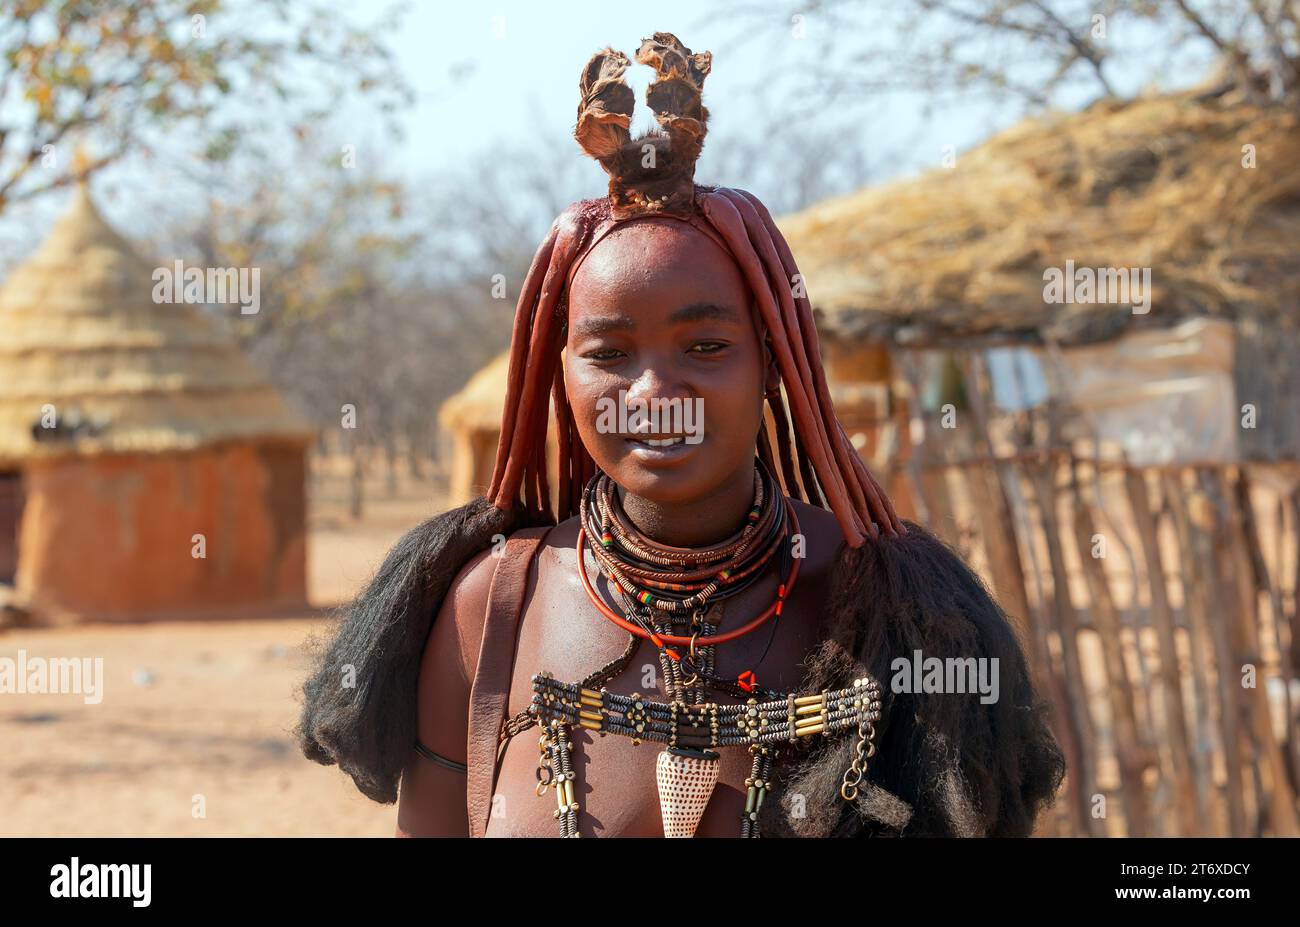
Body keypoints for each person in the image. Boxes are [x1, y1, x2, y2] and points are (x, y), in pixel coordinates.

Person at [297, 32, 1065, 838]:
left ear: (771, 363)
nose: (655, 392)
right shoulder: (486, 612)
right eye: (609, 352)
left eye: (705, 347)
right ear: (562, 373)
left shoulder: (888, 616)